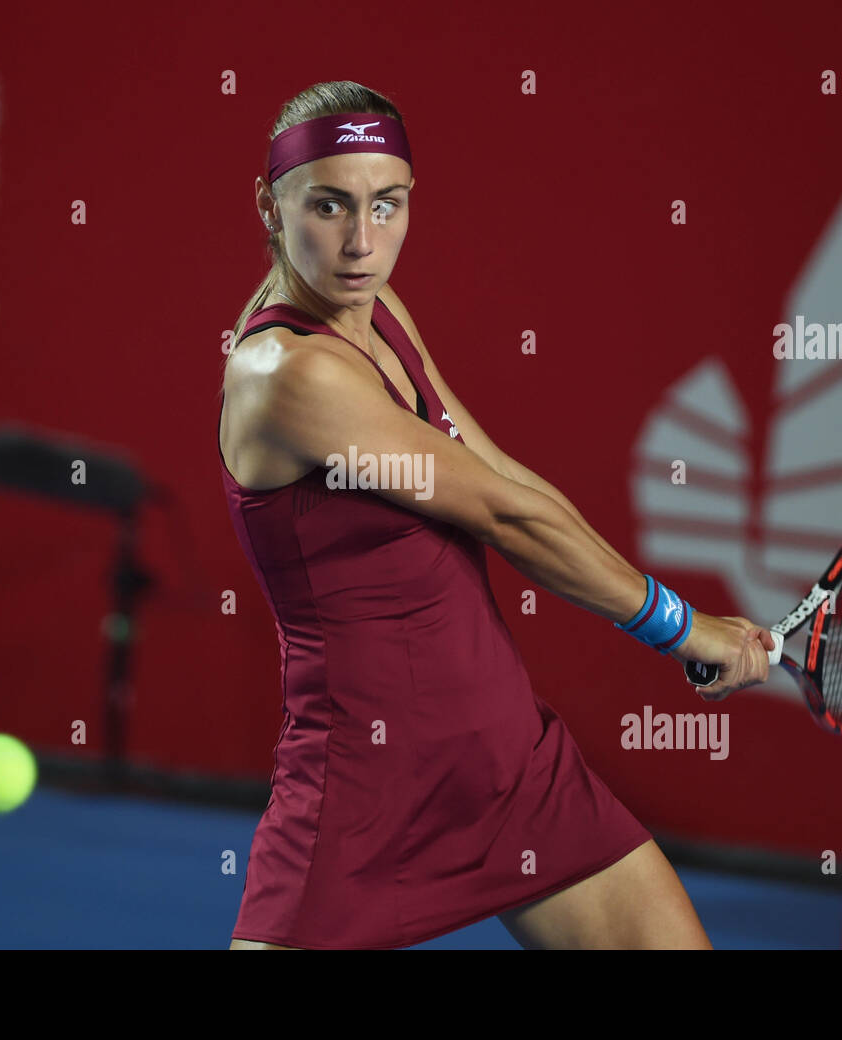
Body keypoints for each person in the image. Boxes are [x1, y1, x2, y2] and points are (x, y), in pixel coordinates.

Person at [219, 81, 774, 950]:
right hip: (363, 787)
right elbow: (508, 520)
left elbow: (504, 478)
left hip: (507, 761)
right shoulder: (291, 375)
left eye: (386, 205)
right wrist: (683, 627)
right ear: (270, 202)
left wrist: (685, 622)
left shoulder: (379, 314)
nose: (362, 243)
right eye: (328, 205)